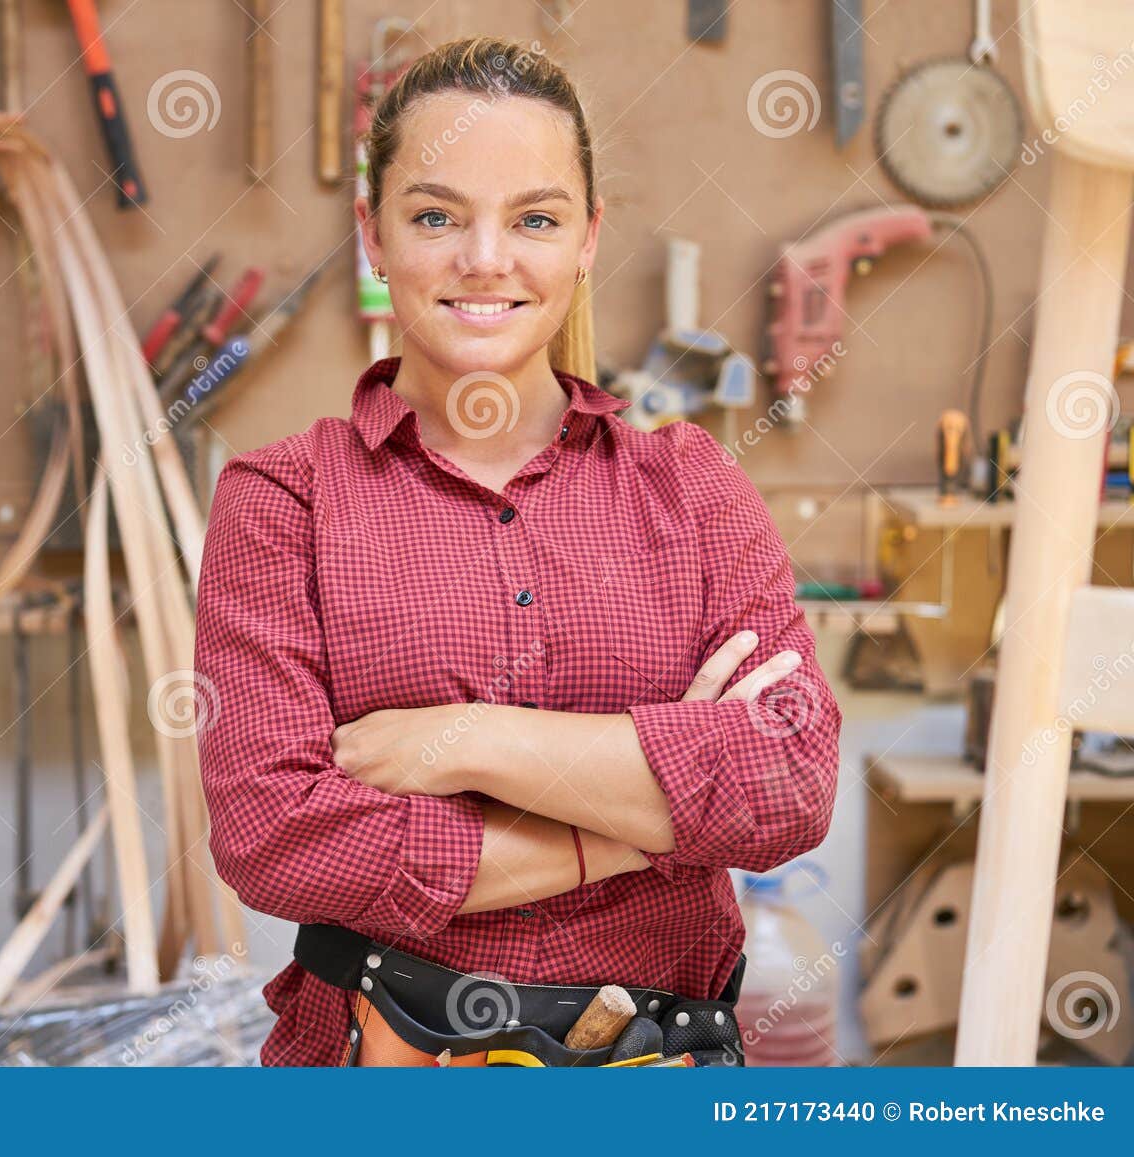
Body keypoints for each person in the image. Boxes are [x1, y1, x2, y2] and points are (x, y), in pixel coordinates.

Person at [193, 36, 841, 1067]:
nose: (484, 258)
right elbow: (278, 837)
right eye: (436, 215)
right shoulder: (283, 502)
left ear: (587, 238)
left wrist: (459, 740)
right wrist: (642, 823)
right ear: (373, 234)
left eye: (534, 219)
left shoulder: (694, 486)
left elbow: (789, 779)